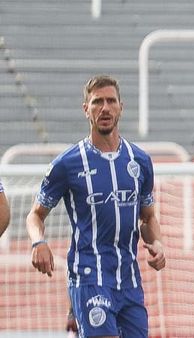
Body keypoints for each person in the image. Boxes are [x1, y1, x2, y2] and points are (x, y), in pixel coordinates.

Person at [27, 75, 167, 338]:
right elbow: (35, 215)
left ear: (121, 107)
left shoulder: (140, 161)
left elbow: (147, 218)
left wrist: (158, 243)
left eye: (111, 101)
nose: (105, 108)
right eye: (97, 102)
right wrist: (38, 243)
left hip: (129, 280)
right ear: (86, 109)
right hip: (89, 277)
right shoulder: (67, 164)